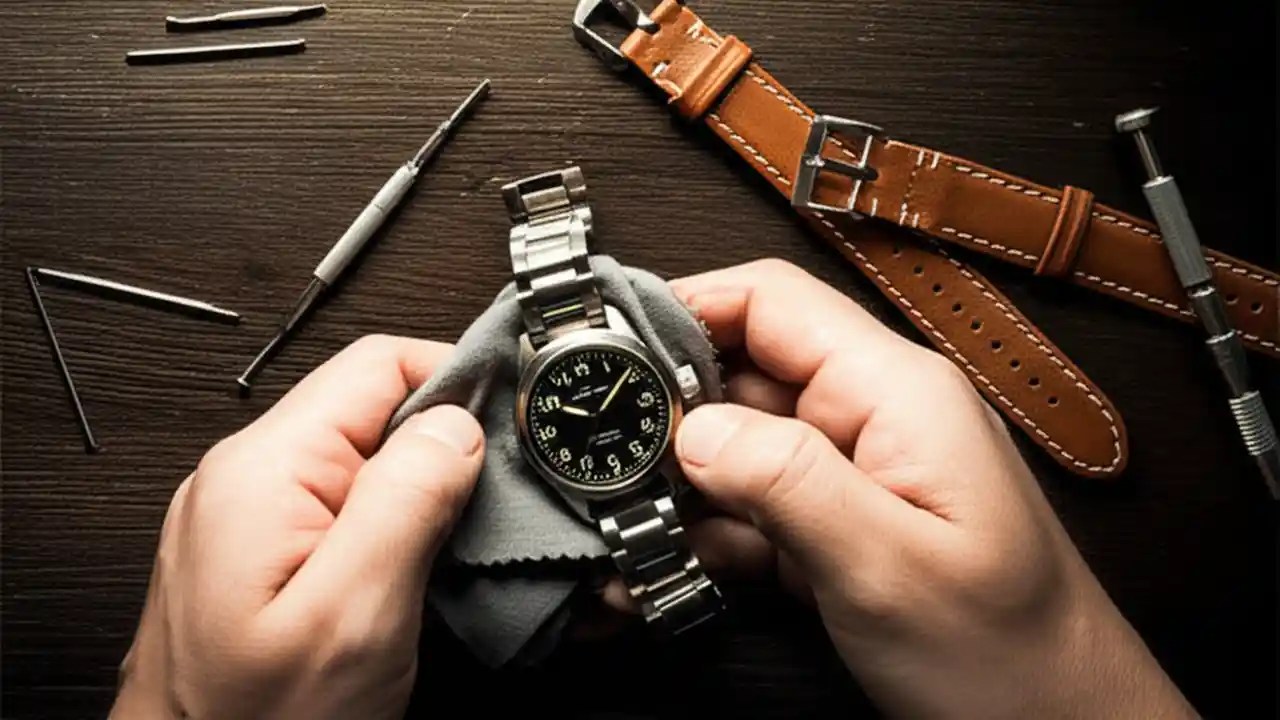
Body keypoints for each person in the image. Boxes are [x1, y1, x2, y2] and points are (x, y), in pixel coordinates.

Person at [109, 260, 1198, 720]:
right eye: (556, 419)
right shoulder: (550, 394)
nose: (572, 424)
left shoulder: (628, 415)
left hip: (648, 493)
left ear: (673, 397)